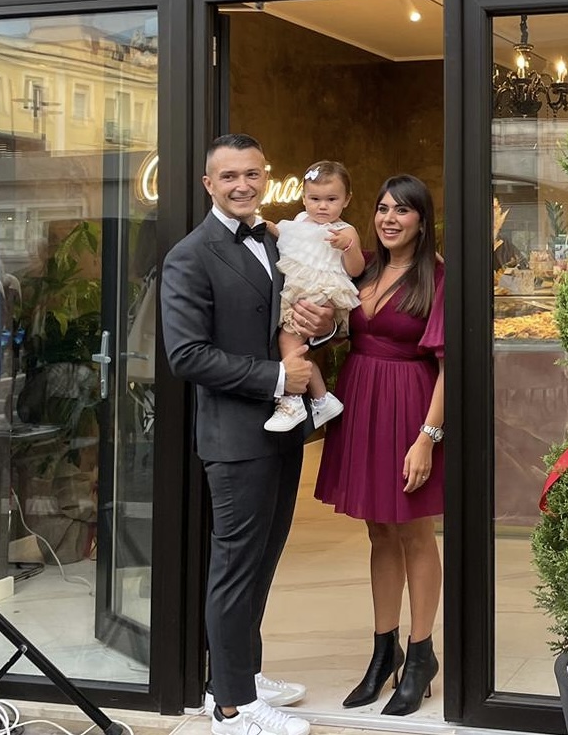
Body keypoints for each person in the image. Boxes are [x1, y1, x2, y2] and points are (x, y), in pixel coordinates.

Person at [161, 134, 336, 735]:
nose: (243, 184)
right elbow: (186, 356)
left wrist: (325, 325)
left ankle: (244, 672)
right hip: (234, 438)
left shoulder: (273, 238)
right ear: (208, 184)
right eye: (229, 175)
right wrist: (274, 375)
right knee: (235, 567)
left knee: (262, 562)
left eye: (252, 173)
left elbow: (294, 318)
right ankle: (230, 706)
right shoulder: (191, 254)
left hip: (282, 432)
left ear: (267, 176)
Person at [314, 174, 445, 717]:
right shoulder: (359, 266)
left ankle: (420, 654)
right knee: (378, 533)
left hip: (411, 408)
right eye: (382, 208)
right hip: (362, 405)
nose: (389, 218)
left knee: (414, 531)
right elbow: (329, 326)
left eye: (402, 211)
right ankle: (382, 648)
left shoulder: (436, 276)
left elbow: (449, 366)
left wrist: (427, 439)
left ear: (421, 220)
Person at [265, 160, 363, 433]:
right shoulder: (299, 221)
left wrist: (348, 247)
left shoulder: (344, 230)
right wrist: (272, 229)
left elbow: (355, 269)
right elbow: (289, 241)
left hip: (324, 293)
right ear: (304, 197)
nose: (322, 206)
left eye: (331, 199)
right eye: (314, 198)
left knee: (288, 339)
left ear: (346, 200)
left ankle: (292, 398)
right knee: (297, 349)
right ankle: (321, 399)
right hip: (300, 291)